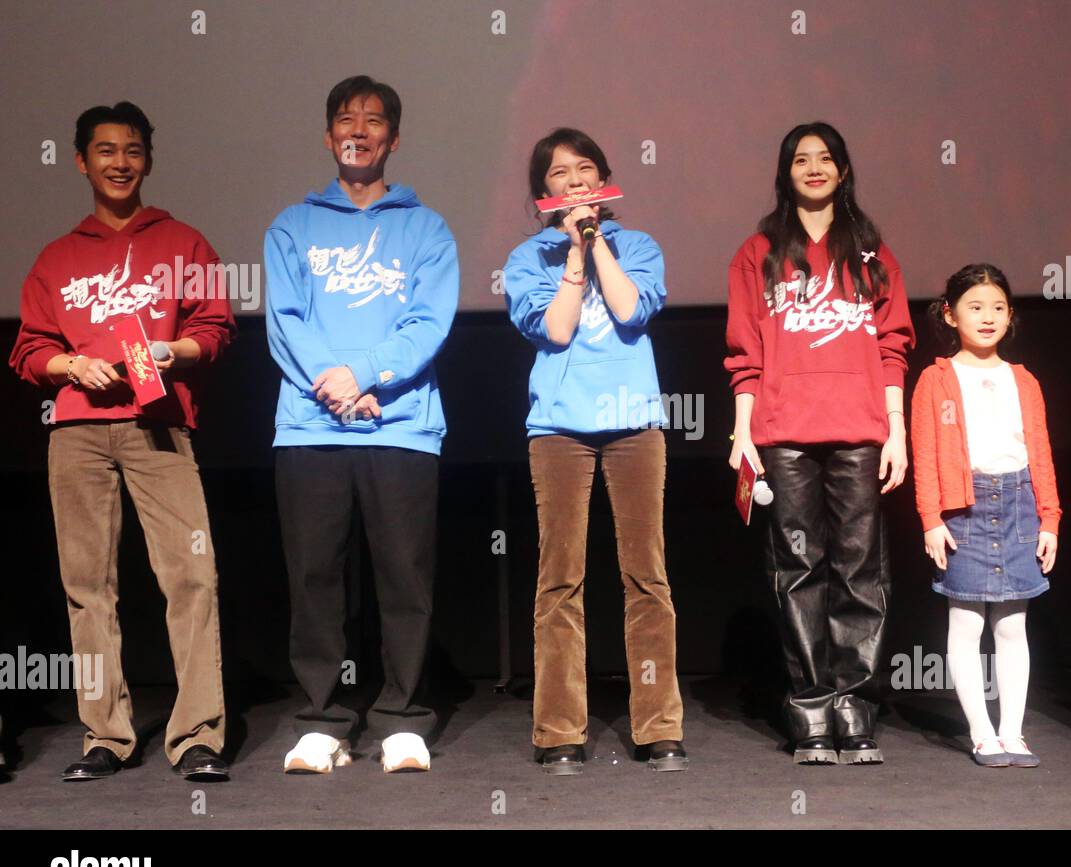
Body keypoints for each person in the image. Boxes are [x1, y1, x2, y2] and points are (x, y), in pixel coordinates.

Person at [9, 101, 235, 782]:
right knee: (88, 586)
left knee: (192, 576)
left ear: (147, 160)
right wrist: (70, 364)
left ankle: (197, 734)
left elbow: (217, 326)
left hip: (158, 426)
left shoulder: (183, 242)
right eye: (105, 151)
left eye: (133, 150)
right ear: (82, 161)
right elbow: (29, 348)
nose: (119, 163)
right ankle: (104, 735)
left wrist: (174, 350)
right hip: (77, 432)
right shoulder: (57, 256)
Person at [266, 75, 458, 775]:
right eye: (345, 119)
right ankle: (322, 719)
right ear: (327, 136)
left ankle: (402, 716)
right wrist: (338, 387)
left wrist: (366, 376)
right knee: (315, 576)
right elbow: (286, 322)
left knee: (403, 577)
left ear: (392, 139)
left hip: (401, 425)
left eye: (373, 120)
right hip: (311, 429)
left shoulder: (426, 227)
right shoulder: (292, 225)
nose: (359, 128)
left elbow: (428, 321)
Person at [725, 122, 915, 765]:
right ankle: (810, 712)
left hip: (861, 429)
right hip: (784, 434)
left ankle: (855, 708)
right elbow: (744, 354)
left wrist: (897, 427)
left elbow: (893, 345)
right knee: (797, 571)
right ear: (785, 172)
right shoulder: (759, 253)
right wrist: (742, 433)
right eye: (801, 159)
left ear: (842, 170)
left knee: (861, 571)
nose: (814, 167)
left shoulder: (870, 251)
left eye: (825, 158)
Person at [504, 128, 687, 776]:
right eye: (561, 173)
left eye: (587, 170)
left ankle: (659, 726)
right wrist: (572, 257)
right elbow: (555, 327)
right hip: (559, 427)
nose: (576, 180)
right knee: (560, 580)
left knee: (647, 575)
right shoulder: (528, 259)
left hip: (634, 421)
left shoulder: (637, 246)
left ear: (606, 183)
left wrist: (596, 241)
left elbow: (632, 310)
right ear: (542, 195)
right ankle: (559, 732)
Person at [911, 264, 1060, 767]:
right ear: (950, 314)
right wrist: (931, 518)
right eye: (975, 307)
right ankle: (981, 733)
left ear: (1011, 315)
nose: (988, 317)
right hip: (965, 508)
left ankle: (1013, 732)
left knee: (1013, 625)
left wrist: (1050, 519)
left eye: (998, 307)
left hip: (1018, 503)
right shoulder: (935, 380)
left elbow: (1040, 451)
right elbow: (926, 453)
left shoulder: (1024, 380)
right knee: (966, 620)